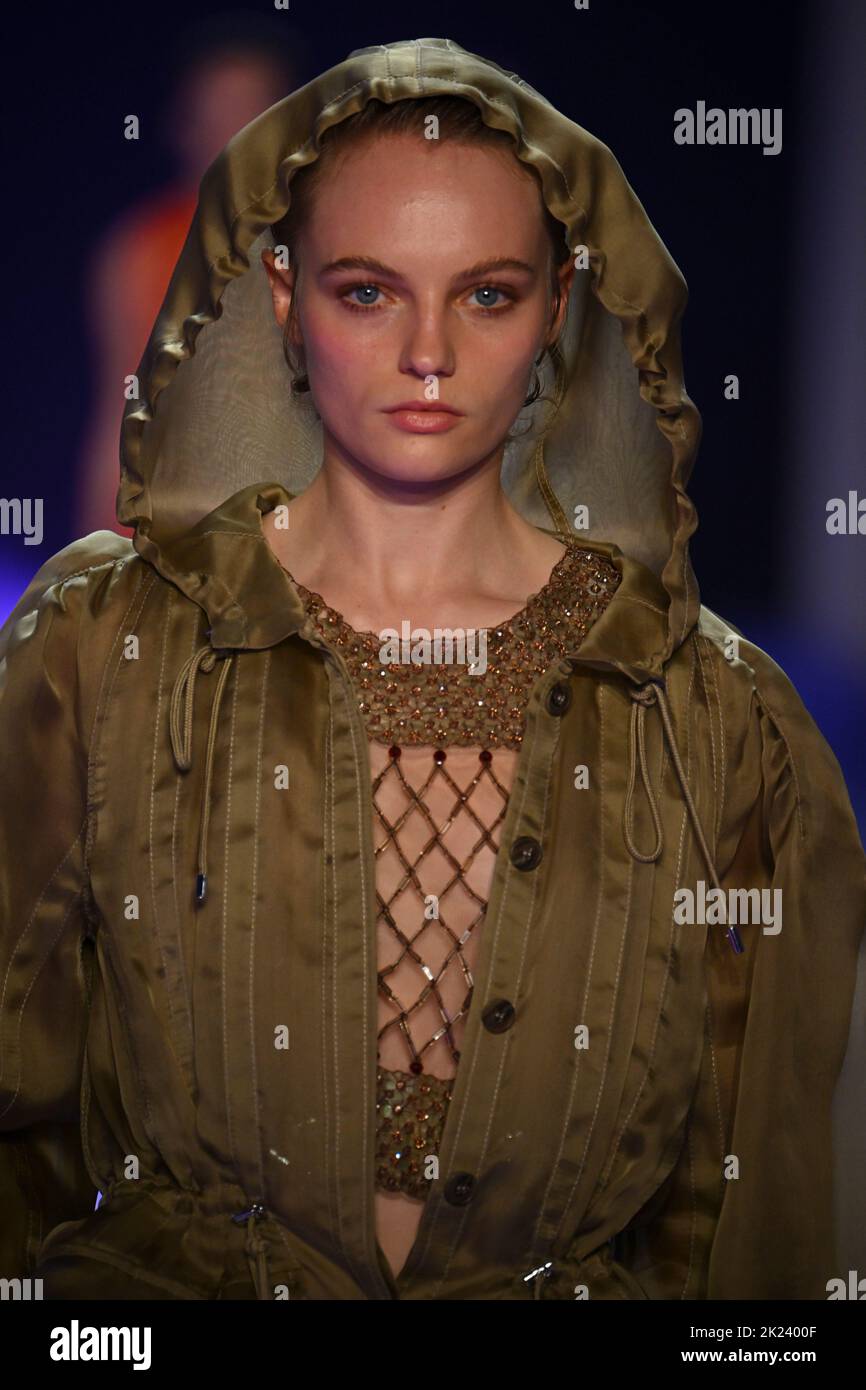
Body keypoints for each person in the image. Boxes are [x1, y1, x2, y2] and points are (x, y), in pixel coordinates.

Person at [0, 36, 863, 1301]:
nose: (426, 353)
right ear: (284, 297)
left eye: (486, 295)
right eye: (366, 291)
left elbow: (748, 1231)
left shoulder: (711, 714)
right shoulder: (105, 655)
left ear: (557, 307)